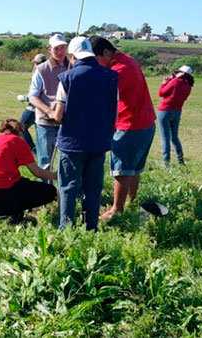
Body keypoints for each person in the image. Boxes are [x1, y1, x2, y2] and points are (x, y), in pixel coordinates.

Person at [50, 37, 118, 230]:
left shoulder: (67, 78)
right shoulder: (111, 77)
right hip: (99, 142)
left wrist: (52, 114)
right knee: (93, 188)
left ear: (73, 56)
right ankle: (91, 227)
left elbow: (58, 116)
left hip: (72, 142)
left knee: (68, 187)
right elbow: (114, 110)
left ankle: (67, 228)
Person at [90, 37, 156, 221]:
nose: (95, 64)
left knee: (122, 169)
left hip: (130, 125)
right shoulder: (127, 60)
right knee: (134, 168)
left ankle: (117, 210)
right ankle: (130, 202)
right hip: (145, 123)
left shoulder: (119, 70)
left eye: (95, 59)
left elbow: (105, 97)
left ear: (106, 52)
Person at [0, 119, 57, 223]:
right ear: (20, 132)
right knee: (50, 191)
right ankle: (12, 212)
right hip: (1, 192)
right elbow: (37, 172)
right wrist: (57, 175)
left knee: (20, 182)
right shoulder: (17, 141)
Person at [28, 33, 70, 175]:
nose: (60, 51)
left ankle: (64, 188)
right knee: (46, 162)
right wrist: (50, 112)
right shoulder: (41, 69)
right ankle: (45, 187)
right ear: (49, 49)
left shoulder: (73, 67)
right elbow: (33, 96)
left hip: (68, 122)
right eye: (56, 48)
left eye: (62, 47)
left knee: (68, 161)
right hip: (46, 122)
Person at [157, 65, 195, 166]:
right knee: (174, 138)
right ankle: (180, 160)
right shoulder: (188, 86)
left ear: (182, 73)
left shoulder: (175, 81)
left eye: (178, 72)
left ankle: (166, 163)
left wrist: (164, 83)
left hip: (165, 111)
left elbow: (161, 93)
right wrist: (172, 80)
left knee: (165, 138)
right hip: (177, 112)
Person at [17, 53, 47, 153]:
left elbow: (40, 93)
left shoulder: (41, 73)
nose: (35, 65)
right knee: (39, 129)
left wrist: (26, 98)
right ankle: (38, 150)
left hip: (35, 106)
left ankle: (32, 148)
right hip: (39, 106)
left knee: (21, 127)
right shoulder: (42, 72)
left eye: (36, 63)